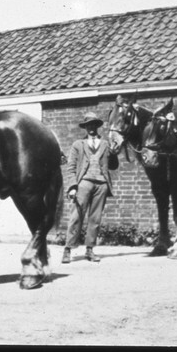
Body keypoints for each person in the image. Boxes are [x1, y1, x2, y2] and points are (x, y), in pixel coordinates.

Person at [62, 112, 119, 264]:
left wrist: (114, 154)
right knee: (76, 216)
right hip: (84, 183)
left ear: (97, 126)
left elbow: (113, 166)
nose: (91, 128)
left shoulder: (106, 144)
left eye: (94, 124)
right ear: (85, 127)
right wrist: (73, 186)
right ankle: (68, 249)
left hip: (101, 184)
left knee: (95, 218)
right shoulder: (78, 145)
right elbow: (71, 167)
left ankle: (89, 249)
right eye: (88, 125)